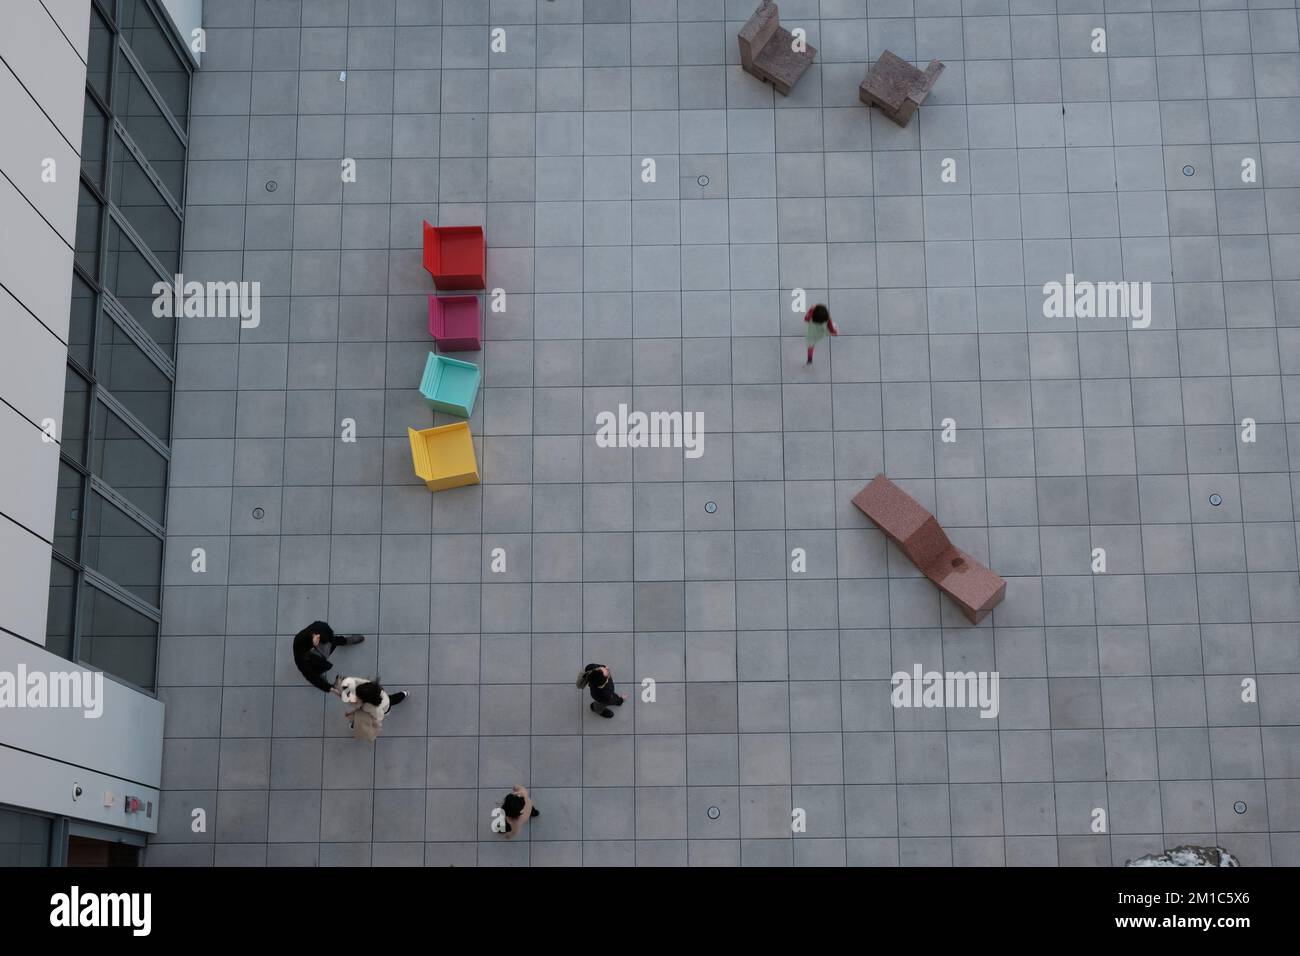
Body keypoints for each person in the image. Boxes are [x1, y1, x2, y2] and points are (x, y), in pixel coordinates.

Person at [292, 621, 364, 694]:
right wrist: (329, 688)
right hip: (314, 661)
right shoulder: (302, 660)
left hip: (321, 642)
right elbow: (312, 678)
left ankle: (346, 641)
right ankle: (320, 672)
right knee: (316, 673)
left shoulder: (318, 634)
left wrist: (315, 635)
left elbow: (321, 624)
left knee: (334, 641)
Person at [336, 676, 407, 741]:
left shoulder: (371, 708)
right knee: (393, 699)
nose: (356, 697)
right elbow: (358, 681)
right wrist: (343, 684)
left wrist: (374, 722)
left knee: (360, 718)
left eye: (358, 697)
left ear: (365, 701)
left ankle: (354, 724)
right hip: (385, 699)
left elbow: (379, 716)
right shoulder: (369, 687)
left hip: (384, 707)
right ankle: (404, 693)